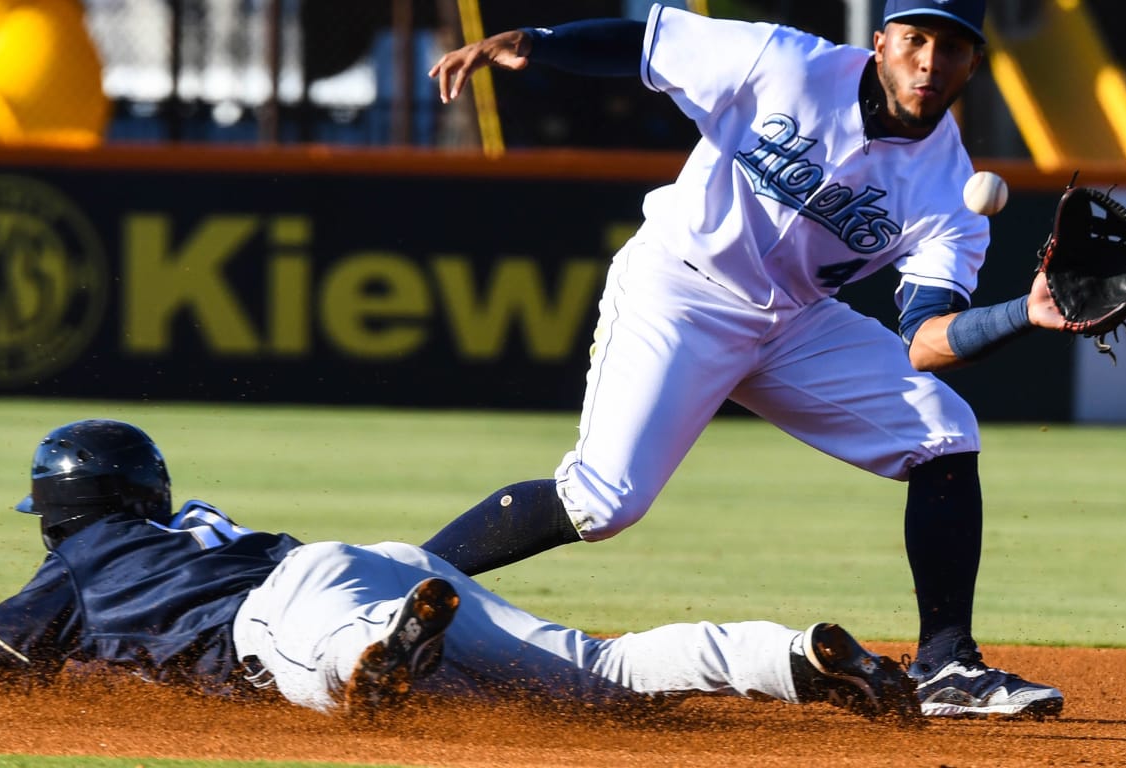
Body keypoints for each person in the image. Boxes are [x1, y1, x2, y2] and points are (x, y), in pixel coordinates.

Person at [422, 0, 1069, 719]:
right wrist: (539, 42)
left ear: (974, 64)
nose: (929, 61)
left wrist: (1025, 314)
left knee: (944, 433)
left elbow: (925, 341)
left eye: (951, 48)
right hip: (681, 288)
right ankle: (391, 587)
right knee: (601, 503)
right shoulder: (786, 63)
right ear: (881, 42)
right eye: (915, 39)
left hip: (794, 321)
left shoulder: (950, 190)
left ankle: (945, 664)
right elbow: (648, 44)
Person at [0, 419, 921, 723]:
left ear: (59, 509)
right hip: (363, 561)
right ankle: (792, 655)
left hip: (286, 614)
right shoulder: (177, 534)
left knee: (334, 676)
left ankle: (384, 652)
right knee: (599, 674)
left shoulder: (75, 570)